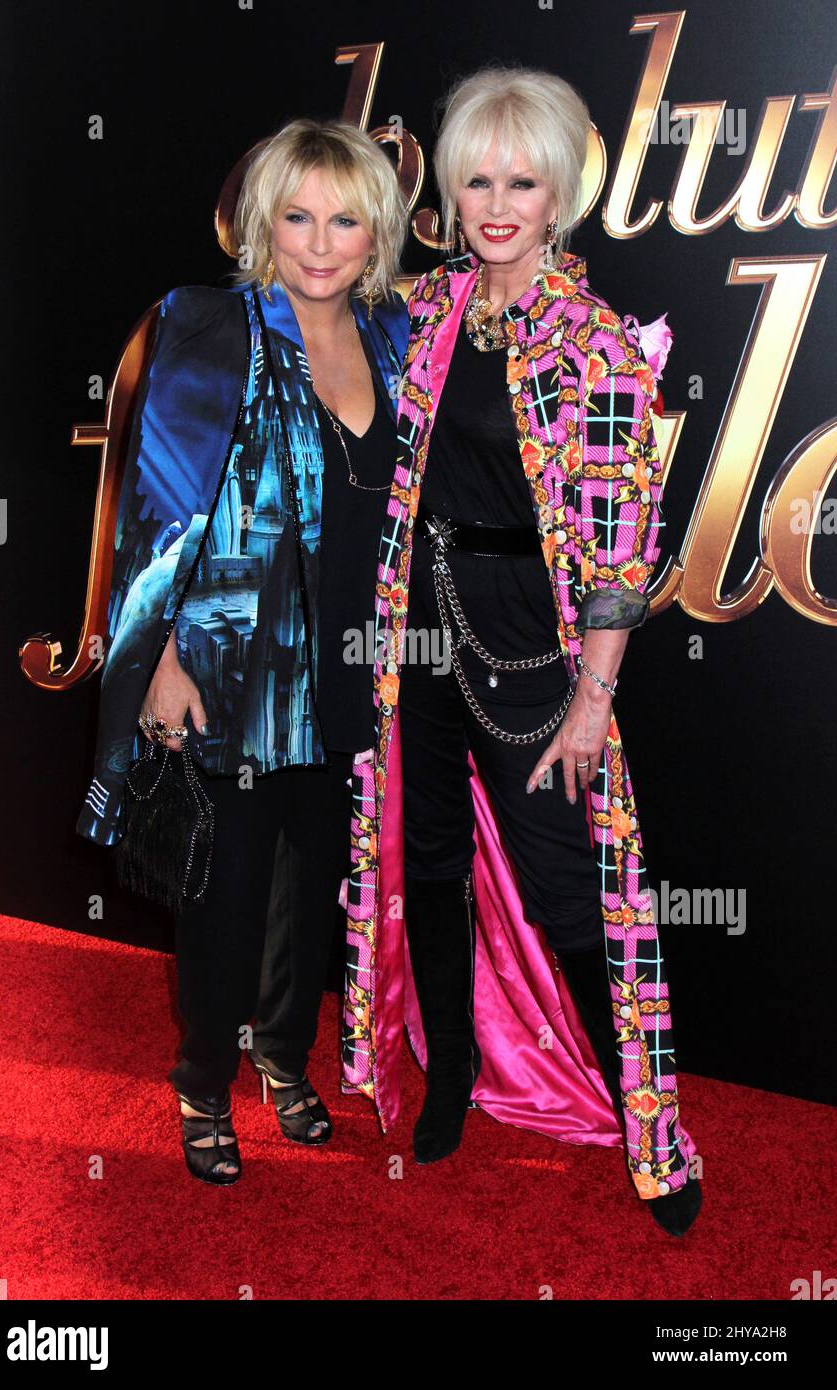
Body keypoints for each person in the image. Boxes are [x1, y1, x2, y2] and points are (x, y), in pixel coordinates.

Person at [339, 67, 702, 1235]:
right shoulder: (427, 308)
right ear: (449, 188)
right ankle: (451, 1074)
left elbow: (619, 554)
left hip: (535, 647)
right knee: (429, 854)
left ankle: (650, 1133)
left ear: (559, 196)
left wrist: (592, 699)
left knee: (573, 886)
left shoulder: (596, 343)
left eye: (523, 182)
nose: (497, 203)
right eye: (476, 179)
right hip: (418, 625)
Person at [76, 119, 408, 1183]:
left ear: (378, 233)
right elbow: (158, 515)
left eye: (345, 218)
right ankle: (202, 1079)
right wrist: (162, 656)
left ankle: (283, 1053)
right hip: (230, 665)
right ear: (264, 220)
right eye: (297, 215)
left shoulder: (395, 334)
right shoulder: (210, 325)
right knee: (224, 889)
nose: (318, 241)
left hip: (351, 669)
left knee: (313, 887)